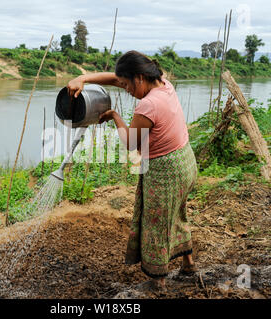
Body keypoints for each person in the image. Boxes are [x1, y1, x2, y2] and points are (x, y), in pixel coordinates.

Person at [67, 50, 198, 290]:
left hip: (165, 170)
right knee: (177, 213)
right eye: (123, 84)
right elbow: (114, 78)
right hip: (185, 161)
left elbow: (131, 143)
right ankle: (188, 263)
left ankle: (158, 281)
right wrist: (83, 79)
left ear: (139, 78)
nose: (125, 89)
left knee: (155, 224)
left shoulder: (148, 105)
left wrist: (116, 116)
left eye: (127, 85)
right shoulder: (164, 83)